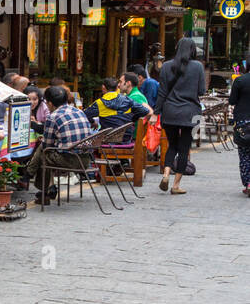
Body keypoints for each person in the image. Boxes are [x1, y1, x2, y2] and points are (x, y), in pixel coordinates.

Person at [152, 37, 206, 195]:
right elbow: (201, 91)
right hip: (190, 113)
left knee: (172, 145)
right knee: (184, 148)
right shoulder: (197, 67)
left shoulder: (167, 66)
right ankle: (175, 185)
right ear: (193, 50)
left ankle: (166, 174)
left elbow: (162, 93)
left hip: (170, 111)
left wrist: (156, 113)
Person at [26, 85, 94, 203]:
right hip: (86, 160)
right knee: (45, 151)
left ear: (50, 103)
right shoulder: (79, 111)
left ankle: (39, 186)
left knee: (44, 152)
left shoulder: (53, 117)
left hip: (69, 160)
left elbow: (47, 146)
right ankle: (39, 182)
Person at [85, 77, 150, 136]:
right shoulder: (128, 100)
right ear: (117, 88)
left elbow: (84, 115)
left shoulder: (99, 103)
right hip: (126, 139)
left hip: (106, 139)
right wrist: (132, 119)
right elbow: (145, 111)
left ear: (103, 87)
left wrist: (93, 122)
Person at [231, 67, 250, 196]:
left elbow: (232, 100)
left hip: (243, 121)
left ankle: (248, 183)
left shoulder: (240, 81)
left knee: (244, 154)